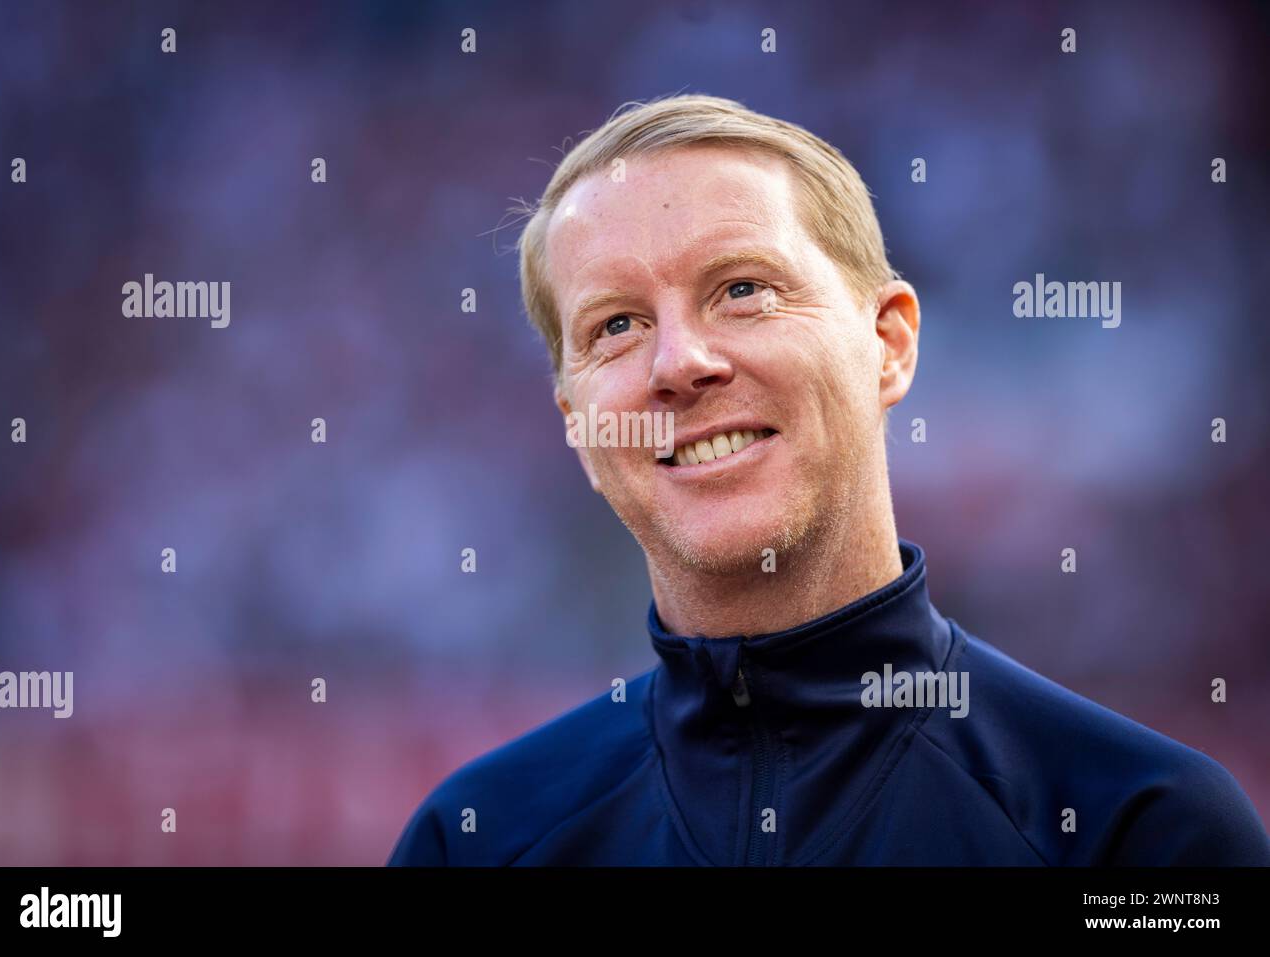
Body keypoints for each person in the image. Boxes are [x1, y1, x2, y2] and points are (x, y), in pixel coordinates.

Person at [388, 94, 1270, 865]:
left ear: (888, 343)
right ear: (577, 423)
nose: (679, 362)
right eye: (616, 323)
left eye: (742, 290)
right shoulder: (476, 841)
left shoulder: (1141, 835)